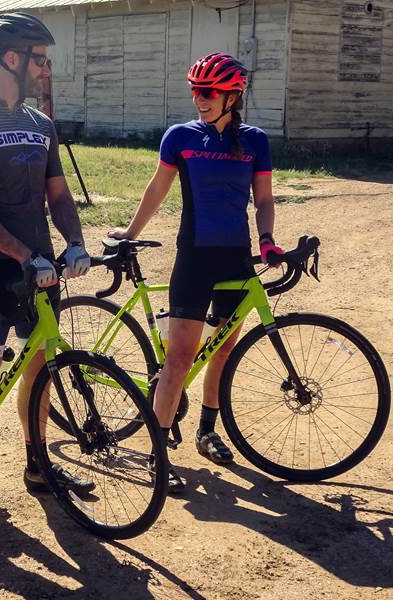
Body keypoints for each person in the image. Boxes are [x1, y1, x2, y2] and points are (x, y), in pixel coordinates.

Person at [0, 13, 93, 549]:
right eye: (41, 59)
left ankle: (36, 464)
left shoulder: (40, 124)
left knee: (42, 367)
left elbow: (59, 195)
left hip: (41, 267)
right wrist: (25, 254)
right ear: (13, 59)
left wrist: (72, 242)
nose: (48, 70)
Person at [109, 52, 284, 494]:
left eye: (207, 92)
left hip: (237, 257)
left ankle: (207, 431)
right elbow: (157, 188)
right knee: (179, 359)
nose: (199, 99)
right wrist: (129, 231)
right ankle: (157, 454)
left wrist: (267, 240)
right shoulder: (180, 137)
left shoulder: (256, 141)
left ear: (233, 95)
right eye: (195, 91)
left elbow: (263, 200)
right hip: (194, 257)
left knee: (223, 351)